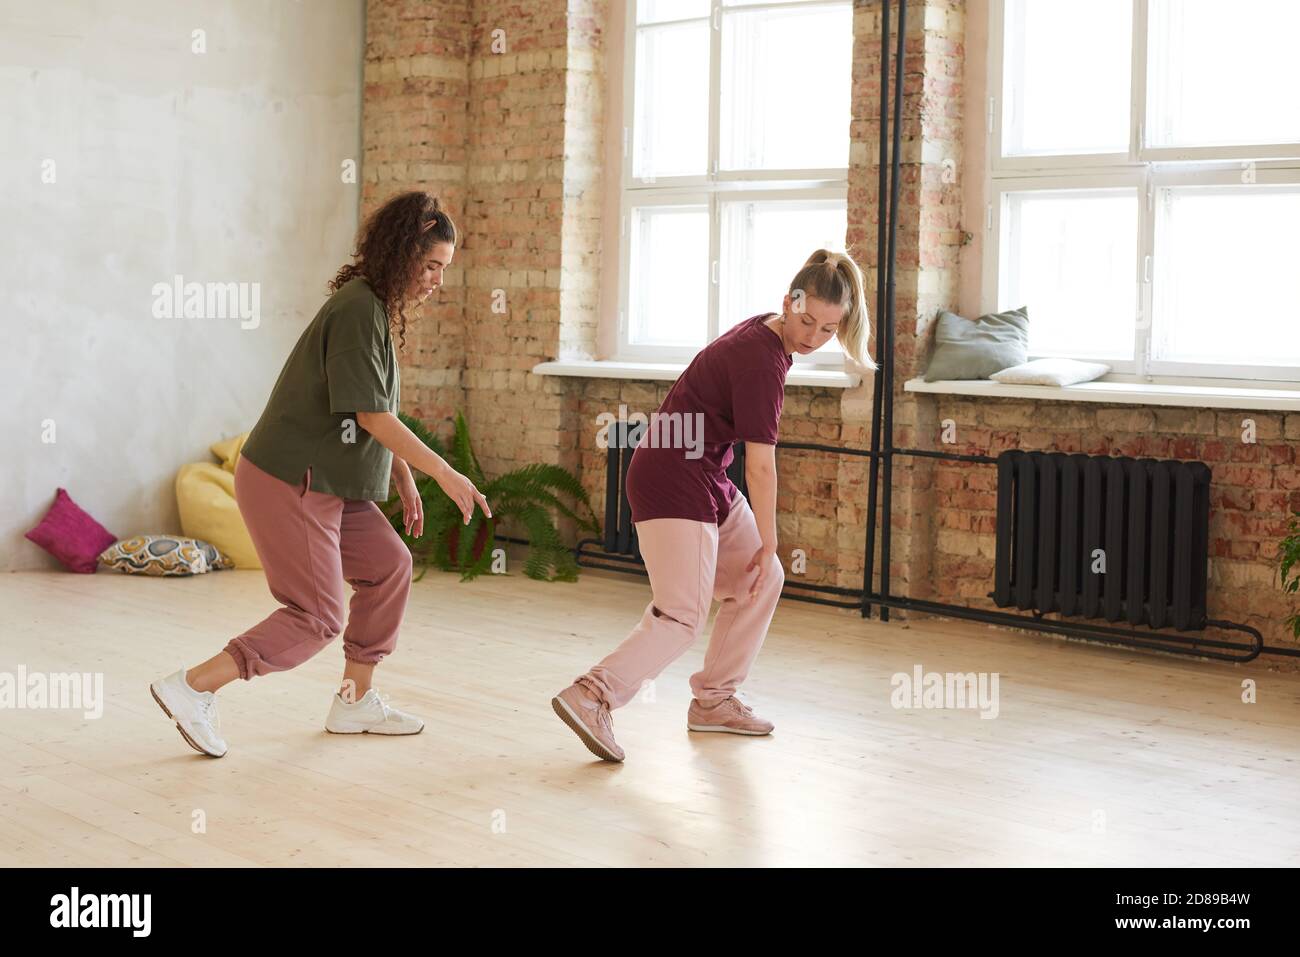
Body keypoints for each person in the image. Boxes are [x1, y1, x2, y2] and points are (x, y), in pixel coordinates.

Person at [150, 191, 490, 757]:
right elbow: (373, 415)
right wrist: (446, 473)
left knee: (388, 567)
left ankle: (353, 701)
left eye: (443, 269)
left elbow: (373, 405)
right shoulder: (358, 309)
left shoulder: (375, 307)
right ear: (403, 253)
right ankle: (192, 687)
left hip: (328, 482)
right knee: (315, 616)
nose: (436, 279)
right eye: (431, 265)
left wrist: (403, 475)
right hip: (293, 479)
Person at [552, 248, 874, 761]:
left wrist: (763, 554)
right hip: (671, 477)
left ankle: (714, 701)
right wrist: (769, 539)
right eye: (807, 321)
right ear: (787, 303)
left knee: (761, 579)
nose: (813, 337)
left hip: (704, 475)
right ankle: (593, 695)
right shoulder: (762, 360)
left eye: (828, 330)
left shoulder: (770, 335)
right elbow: (761, 466)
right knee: (682, 612)